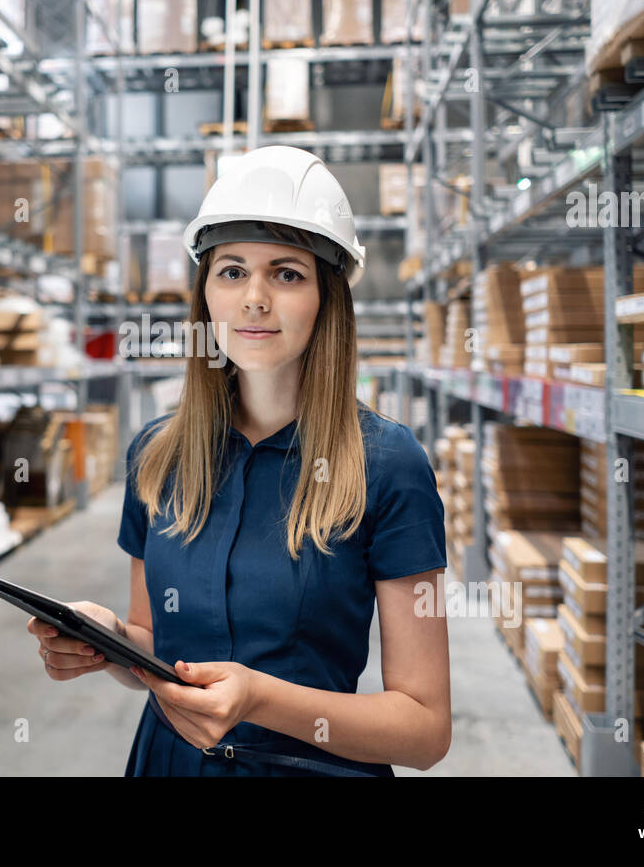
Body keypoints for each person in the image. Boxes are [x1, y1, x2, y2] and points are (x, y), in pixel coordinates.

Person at [26, 146, 450, 776]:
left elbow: (424, 729)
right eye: (231, 272)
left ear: (327, 299)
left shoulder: (387, 465)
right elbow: (158, 647)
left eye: (286, 273)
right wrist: (107, 641)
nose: (254, 299)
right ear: (205, 295)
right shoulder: (157, 457)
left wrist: (262, 699)